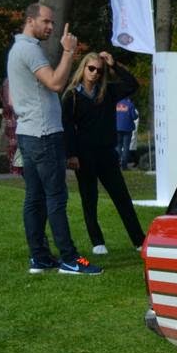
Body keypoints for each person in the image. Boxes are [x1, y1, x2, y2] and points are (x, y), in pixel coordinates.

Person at [8, 3, 101, 275]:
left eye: (52, 22)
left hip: (29, 132)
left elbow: (17, 97)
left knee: (34, 198)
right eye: (46, 22)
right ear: (30, 20)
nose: (50, 27)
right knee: (56, 197)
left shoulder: (17, 50)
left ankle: (40, 258)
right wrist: (70, 52)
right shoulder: (29, 49)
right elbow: (57, 83)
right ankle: (70, 259)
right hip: (44, 134)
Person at [62, 51, 147, 255]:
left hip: (107, 153)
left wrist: (113, 64)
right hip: (84, 155)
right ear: (83, 69)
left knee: (122, 198)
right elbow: (67, 127)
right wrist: (71, 155)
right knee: (89, 199)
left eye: (99, 71)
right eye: (91, 68)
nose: (95, 73)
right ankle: (97, 241)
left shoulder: (107, 92)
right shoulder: (71, 96)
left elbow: (132, 84)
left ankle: (138, 240)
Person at [115, 96, 139, 168]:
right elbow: (134, 116)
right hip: (127, 129)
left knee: (118, 146)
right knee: (126, 147)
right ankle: (124, 165)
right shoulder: (130, 105)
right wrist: (136, 115)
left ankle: (116, 164)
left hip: (117, 128)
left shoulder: (116, 104)